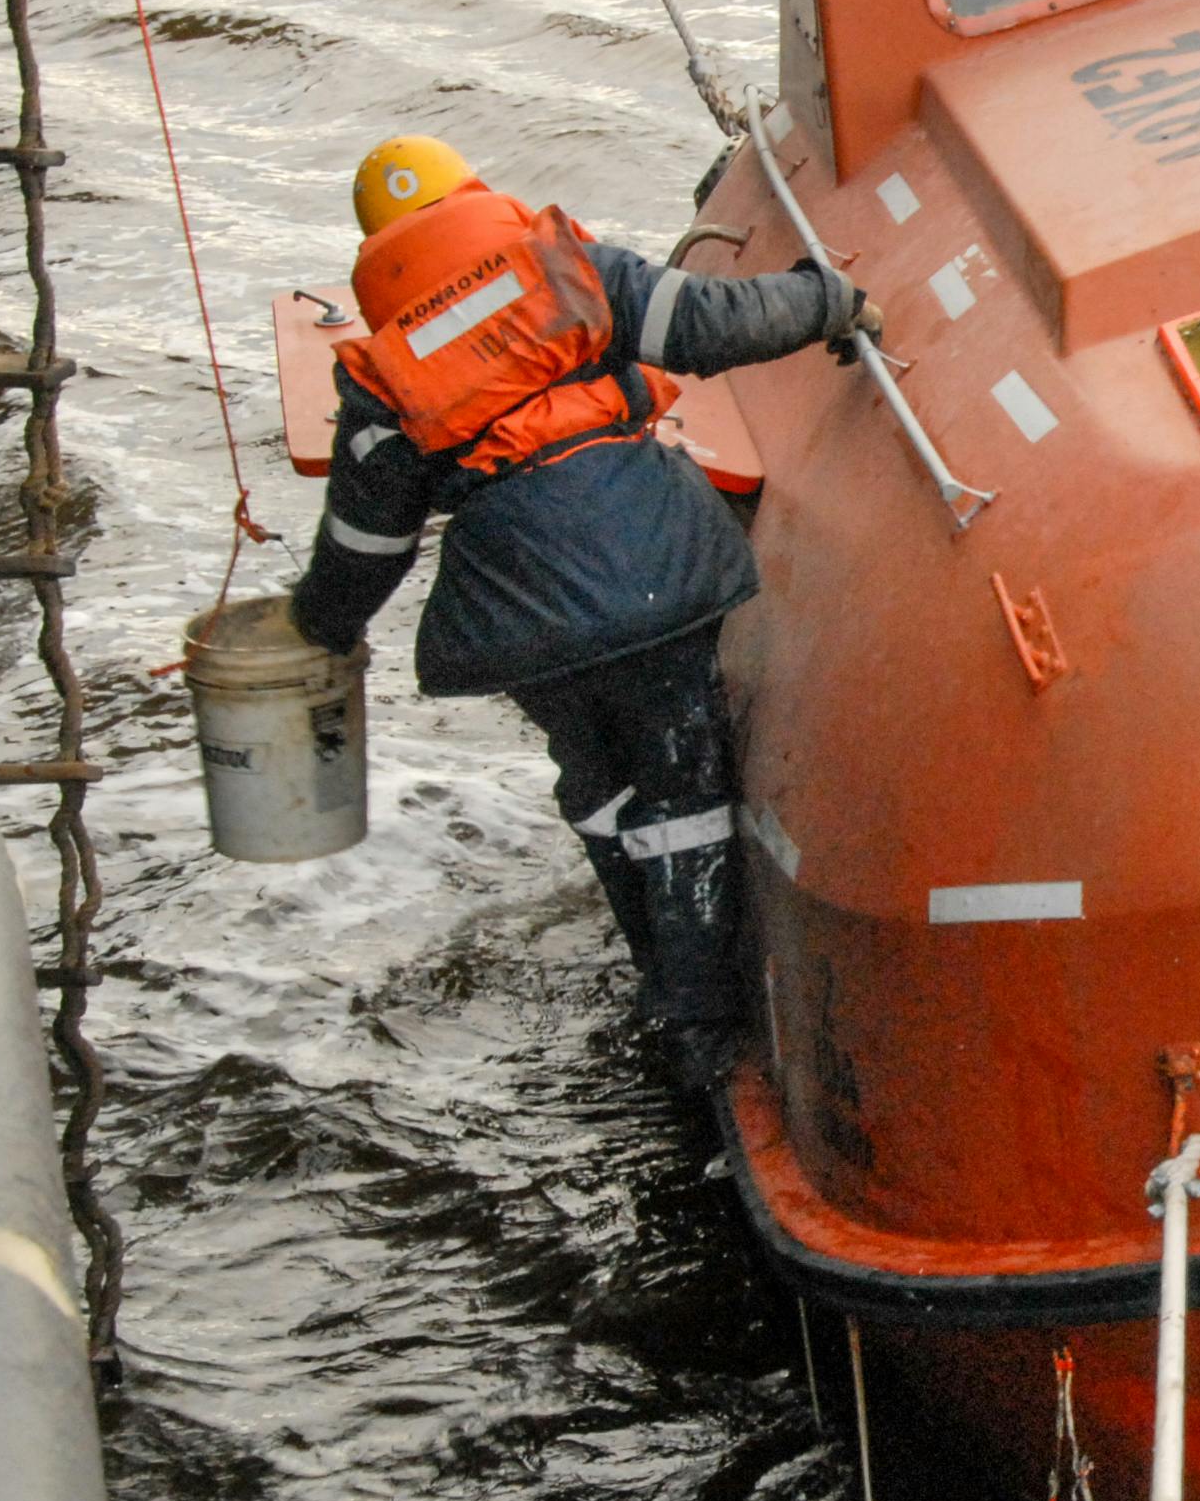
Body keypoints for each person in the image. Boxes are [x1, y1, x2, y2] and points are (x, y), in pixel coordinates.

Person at [288, 133, 877, 1086]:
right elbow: (714, 323)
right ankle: (697, 1032)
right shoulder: (566, 273)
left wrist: (320, 634)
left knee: (597, 783)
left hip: (518, 616)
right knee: (685, 795)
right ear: (474, 193)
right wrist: (829, 300)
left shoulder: (384, 378)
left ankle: (647, 962)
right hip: (647, 572)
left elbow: (365, 549)